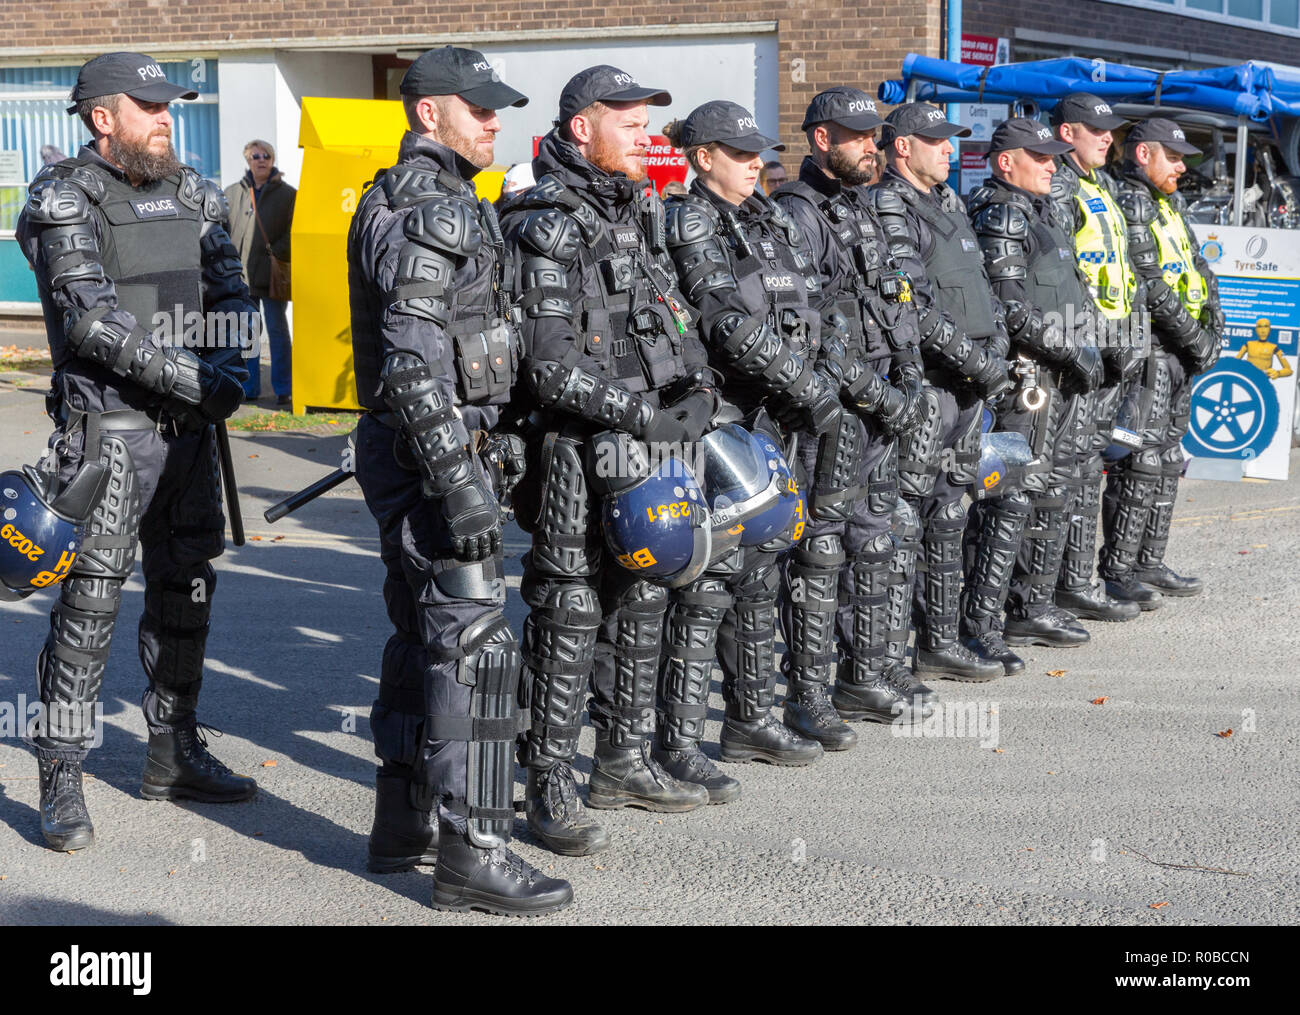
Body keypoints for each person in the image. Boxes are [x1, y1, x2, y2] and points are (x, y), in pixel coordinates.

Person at [346, 45, 571, 916]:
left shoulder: (443, 201)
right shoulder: (429, 211)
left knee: (419, 635)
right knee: (475, 648)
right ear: (427, 112)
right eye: (477, 108)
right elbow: (411, 370)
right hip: (432, 457)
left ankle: (400, 823)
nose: (494, 122)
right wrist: (460, 481)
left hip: (427, 452)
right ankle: (474, 850)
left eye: (496, 109)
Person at [15, 52, 257, 851]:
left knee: (187, 587)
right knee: (91, 606)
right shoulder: (62, 199)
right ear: (101, 118)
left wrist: (234, 368)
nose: (166, 117)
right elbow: (89, 320)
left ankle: (172, 748)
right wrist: (199, 380)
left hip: (189, 435)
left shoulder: (192, 191)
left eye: (171, 104)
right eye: (149, 105)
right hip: (110, 431)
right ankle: (60, 772)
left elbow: (232, 289)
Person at [502, 64, 716, 858]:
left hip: (650, 447)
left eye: (649, 123)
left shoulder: (636, 212)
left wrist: (700, 393)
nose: (648, 136)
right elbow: (548, 366)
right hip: (573, 452)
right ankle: (550, 780)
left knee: (642, 597)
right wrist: (649, 416)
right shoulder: (545, 221)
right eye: (630, 123)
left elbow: (676, 321)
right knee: (569, 613)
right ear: (582, 127)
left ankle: (622, 761)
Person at [653, 101, 831, 802]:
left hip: (773, 416)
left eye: (757, 150)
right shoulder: (690, 219)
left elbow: (815, 305)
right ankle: (677, 738)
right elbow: (722, 321)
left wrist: (821, 382)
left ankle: (752, 718)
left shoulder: (768, 217)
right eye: (738, 151)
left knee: (760, 569)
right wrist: (805, 384)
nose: (755, 160)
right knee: (708, 582)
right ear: (702, 158)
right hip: (720, 419)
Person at [773, 87, 934, 737]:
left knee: (872, 540)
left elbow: (891, 299)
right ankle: (809, 691)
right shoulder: (798, 211)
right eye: (859, 136)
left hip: (880, 404)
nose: (873, 146)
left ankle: (864, 670)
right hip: (833, 409)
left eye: (875, 136)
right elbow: (811, 327)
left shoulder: (859, 205)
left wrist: (909, 371)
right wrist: (876, 393)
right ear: (822, 139)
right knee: (820, 551)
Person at [871, 102, 1012, 682]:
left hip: (971, 387)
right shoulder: (891, 206)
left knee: (953, 512)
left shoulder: (948, 204)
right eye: (937, 141)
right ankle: (893, 655)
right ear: (903, 147)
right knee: (906, 521)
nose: (949, 149)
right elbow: (916, 308)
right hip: (931, 388)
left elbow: (983, 291)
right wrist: (981, 365)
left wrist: (996, 351)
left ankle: (943, 640)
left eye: (951, 140)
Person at [965, 118, 1103, 667]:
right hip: (1027, 381)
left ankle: (1030, 605)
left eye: (1054, 156)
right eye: (1040, 156)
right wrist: (1072, 351)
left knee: (1048, 491)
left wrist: (1097, 342)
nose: (1052, 164)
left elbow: (1070, 289)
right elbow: (1011, 310)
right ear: (1006, 163)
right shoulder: (1001, 212)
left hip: (1058, 380)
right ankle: (982, 622)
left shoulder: (1041, 210)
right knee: (1008, 499)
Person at [1110, 117, 1223, 597]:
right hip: (1153, 350)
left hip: (1182, 352)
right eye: (1173, 157)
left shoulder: (1170, 202)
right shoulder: (1132, 201)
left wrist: (1213, 327)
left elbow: (1200, 268)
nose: (1181, 167)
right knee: (1140, 459)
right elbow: (1148, 280)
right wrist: (1194, 339)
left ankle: (1150, 561)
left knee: (1170, 455)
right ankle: (1119, 570)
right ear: (1143, 155)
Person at [1048, 94, 1148, 620]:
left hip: (1115, 349)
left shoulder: (1100, 184)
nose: (1108, 138)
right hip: (1083, 351)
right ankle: (1068, 584)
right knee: (1072, 471)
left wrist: (1133, 336)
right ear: (1068, 133)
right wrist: (1102, 343)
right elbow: (1070, 278)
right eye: (1097, 129)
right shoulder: (1061, 186)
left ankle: (1080, 580)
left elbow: (1124, 271)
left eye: (1110, 130)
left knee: (1091, 470)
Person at [224, 139, 295, 405]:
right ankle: (250, 388)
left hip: (273, 276)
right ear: (248, 160)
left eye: (266, 155)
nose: (261, 159)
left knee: (277, 331)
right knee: (248, 334)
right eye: (256, 156)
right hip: (241, 276)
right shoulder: (232, 193)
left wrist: (274, 250)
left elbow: (293, 231)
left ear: (272, 160)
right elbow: (219, 229)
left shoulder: (289, 194)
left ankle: (283, 388)